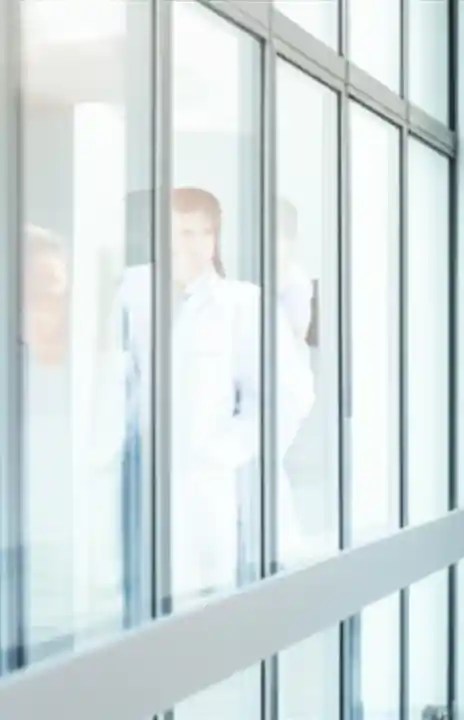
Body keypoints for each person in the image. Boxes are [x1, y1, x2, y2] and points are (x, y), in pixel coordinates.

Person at [112, 187, 314, 601]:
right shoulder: (129, 292)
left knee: (204, 604)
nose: (193, 245)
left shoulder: (244, 304)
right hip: (134, 482)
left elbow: (286, 400)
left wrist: (222, 452)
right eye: (181, 232)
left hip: (210, 491)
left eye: (203, 233)